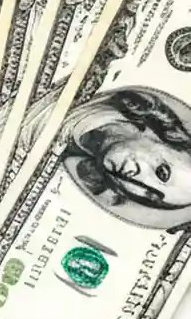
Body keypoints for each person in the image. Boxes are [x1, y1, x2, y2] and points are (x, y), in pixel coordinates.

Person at [61, 87, 191, 230]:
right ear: (165, 137)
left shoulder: (68, 155)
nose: (139, 182)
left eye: (148, 195)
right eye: (162, 172)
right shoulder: (98, 102)